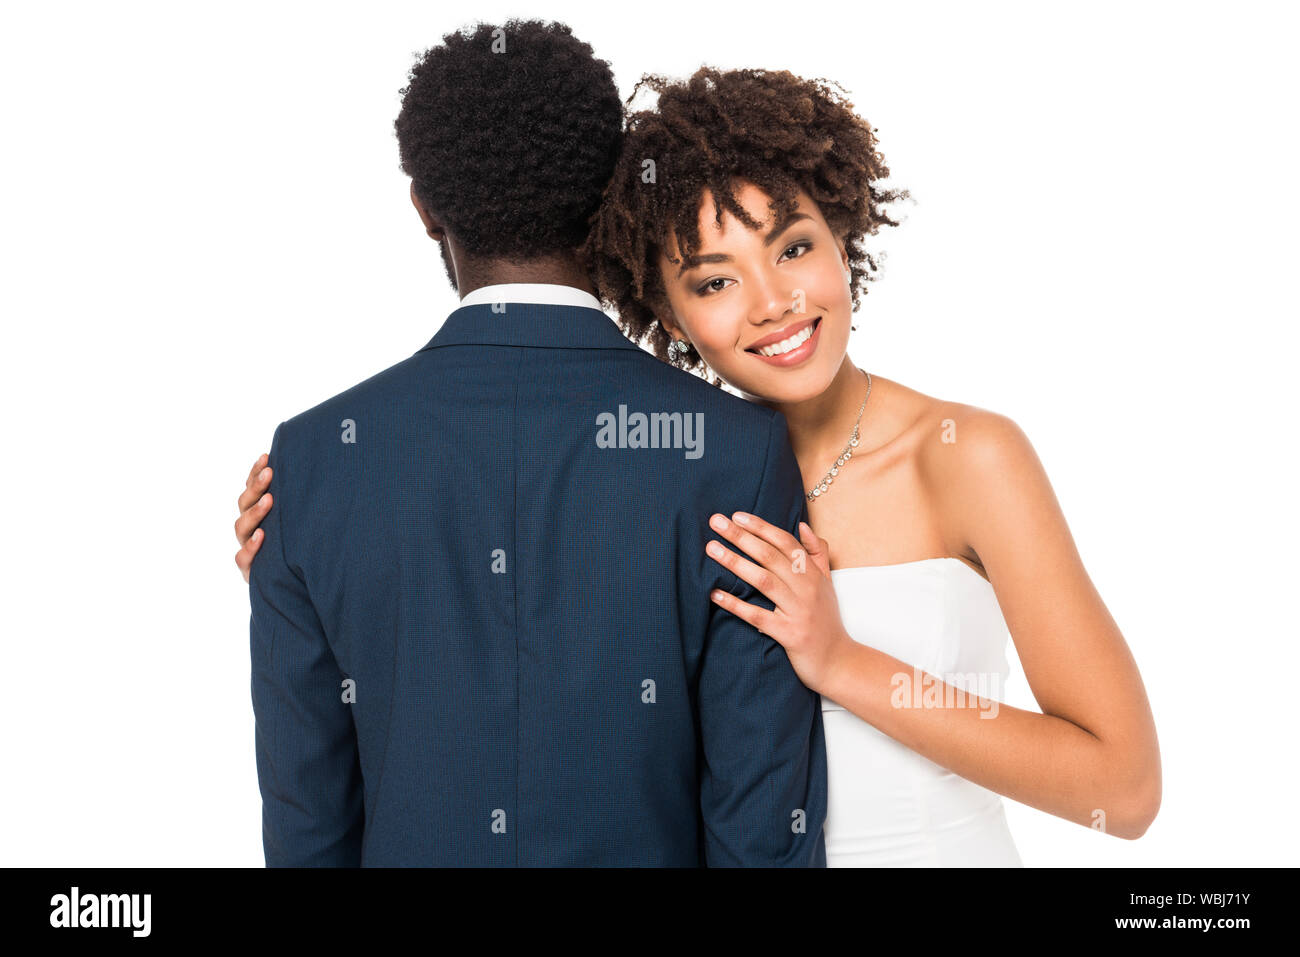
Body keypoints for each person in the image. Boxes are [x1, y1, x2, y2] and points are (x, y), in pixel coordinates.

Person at [239, 58, 1162, 866]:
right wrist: (309, 557)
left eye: (794, 246)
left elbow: (1122, 790)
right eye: (714, 280)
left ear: (844, 233)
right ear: (660, 307)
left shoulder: (969, 456)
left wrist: (839, 659)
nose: (772, 303)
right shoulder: (705, 463)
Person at [241, 19, 827, 867]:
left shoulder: (310, 466)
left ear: (424, 207)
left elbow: (306, 827)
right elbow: (761, 829)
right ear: (609, 191)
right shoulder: (734, 453)